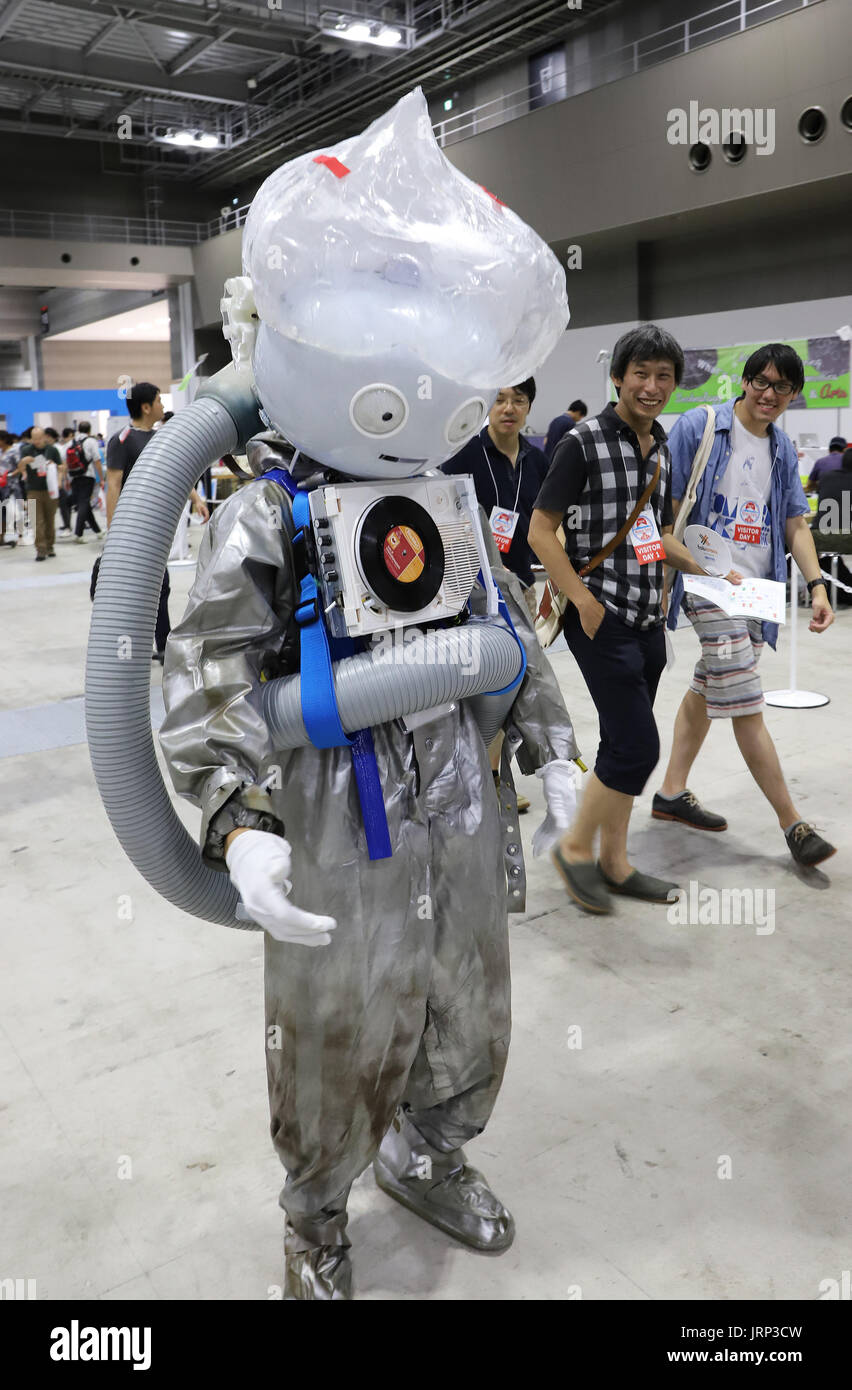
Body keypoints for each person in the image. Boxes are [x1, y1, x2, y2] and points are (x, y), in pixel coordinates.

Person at [156, 89, 578, 1300]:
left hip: (460, 793)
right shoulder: (265, 517)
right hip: (335, 806)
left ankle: (431, 1151)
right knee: (338, 1023)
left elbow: (498, 630)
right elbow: (209, 670)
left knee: (466, 997)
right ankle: (317, 1217)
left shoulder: (448, 505)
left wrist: (548, 741)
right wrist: (236, 823)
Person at [529, 325, 739, 914]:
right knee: (638, 748)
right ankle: (576, 851)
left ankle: (616, 864)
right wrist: (584, 600)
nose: (651, 387)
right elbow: (540, 531)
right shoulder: (582, 441)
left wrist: (713, 570)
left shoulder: (664, 447)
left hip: (648, 618)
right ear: (618, 377)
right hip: (602, 617)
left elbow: (655, 536)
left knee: (622, 743)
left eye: (663, 376)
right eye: (640, 374)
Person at [655, 343, 836, 868]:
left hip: (757, 590)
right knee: (746, 700)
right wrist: (687, 564)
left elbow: (794, 523)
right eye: (761, 381)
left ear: (794, 395)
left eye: (782, 387)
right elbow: (666, 508)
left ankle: (670, 792)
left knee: (710, 683)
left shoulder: (782, 448)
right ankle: (792, 824)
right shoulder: (700, 426)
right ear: (745, 381)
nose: (769, 394)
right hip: (707, 582)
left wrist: (817, 584)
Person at [441, 379, 549, 811]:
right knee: (470, 683)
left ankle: (493, 777)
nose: (509, 408)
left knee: (510, 682)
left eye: (518, 401)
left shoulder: (538, 461)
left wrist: (550, 582)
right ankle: (468, 774)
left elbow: (547, 523)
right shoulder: (462, 456)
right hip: (468, 586)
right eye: (500, 400)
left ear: (528, 408)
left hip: (520, 582)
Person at [105, 383, 209, 661]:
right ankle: (137, 643)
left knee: (159, 584)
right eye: (158, 402)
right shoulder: (122, 440)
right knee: (137, 587)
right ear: (146, 407)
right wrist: (113, 530)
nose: (163, 406)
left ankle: (162, 644)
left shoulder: (160, 437)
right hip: (131, 527)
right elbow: (113, 484)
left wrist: (197, 499)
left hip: (156, 526)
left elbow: (177, 471)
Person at [16, 424, 62, 561]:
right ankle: (40, 549)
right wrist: (26, 462)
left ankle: (50, 546)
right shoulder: (25, 450)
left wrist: (59, 479)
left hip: (50, 490)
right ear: (31, 438)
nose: (37, 441)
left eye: (40, 438)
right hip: (33, 490)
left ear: (45, 437)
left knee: (50, 520)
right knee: (37, 521)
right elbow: (21, 467)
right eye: (34, 438)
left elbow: (61, 466)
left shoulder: (52, 450)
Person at [68, 421, 104, 542]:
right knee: (84, 503)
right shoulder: (91, 441)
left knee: (84, 504)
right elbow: (97, 460)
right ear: (89, 430)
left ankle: (98, 531)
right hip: (87, 476)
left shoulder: (72, 441)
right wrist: (101, 478)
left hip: (74, 476)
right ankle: (78, 534)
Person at [56, 428, 75, 533]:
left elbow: (63, 465)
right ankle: (68, 524)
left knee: (66, 503)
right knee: (68, 503)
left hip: (65, 479)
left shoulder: (62, 448)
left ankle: (68, 525)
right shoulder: (64, 447)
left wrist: (62, 479)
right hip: (70, 478)